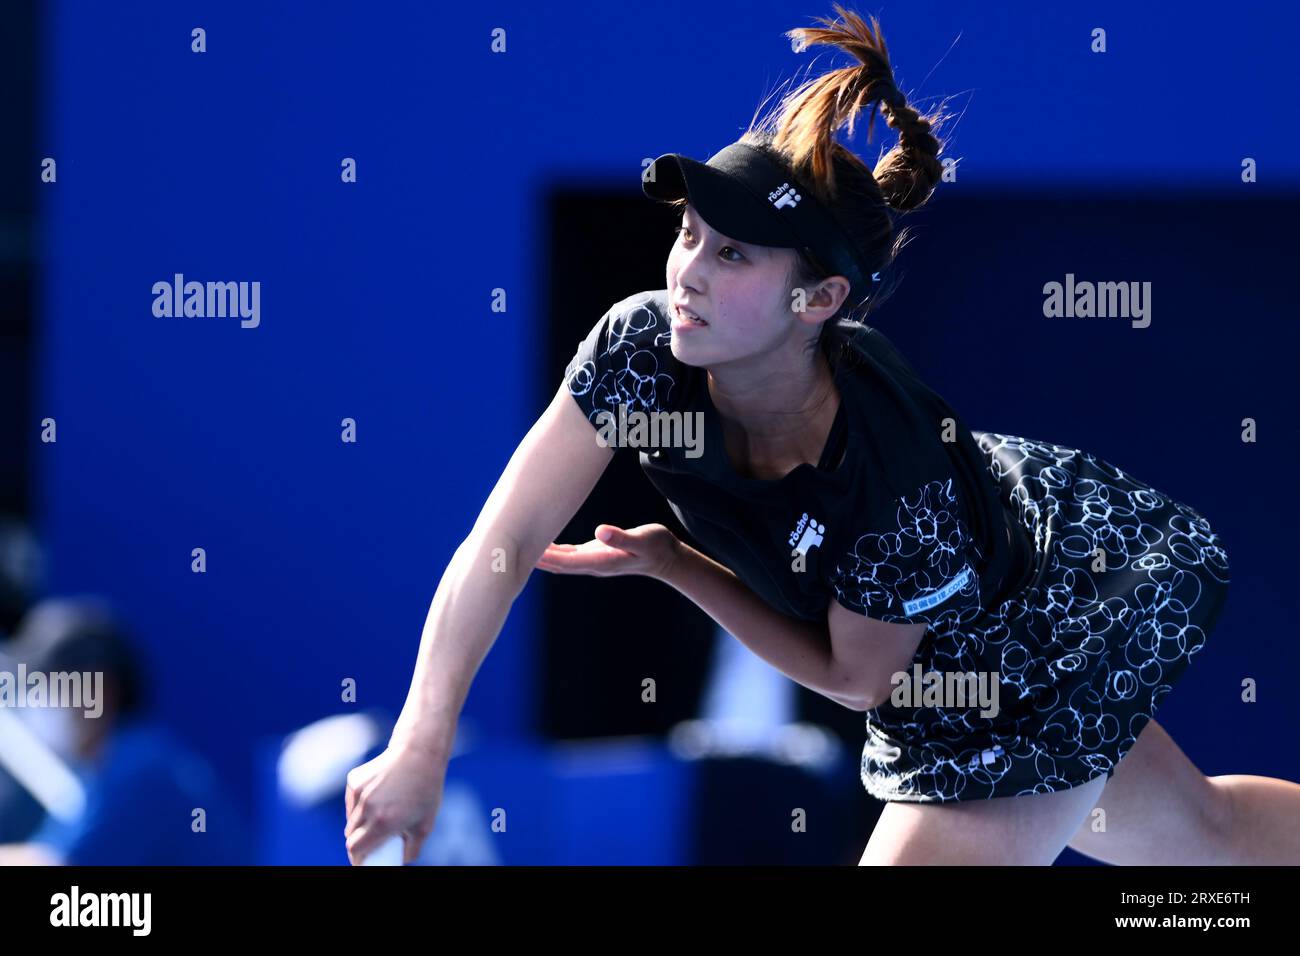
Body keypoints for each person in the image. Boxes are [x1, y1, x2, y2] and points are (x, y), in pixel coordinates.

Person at [344, 6, 1300, 865]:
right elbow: (503, 543)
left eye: (733, 254)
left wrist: (678, 566)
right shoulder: (641, 349)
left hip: (1058, 611)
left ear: (820, 298)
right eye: (688, 235)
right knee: (1204, 840)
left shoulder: (890, 478)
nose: (689, 273)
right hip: (951, 625)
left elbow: (851, 681)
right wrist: (420, 744)